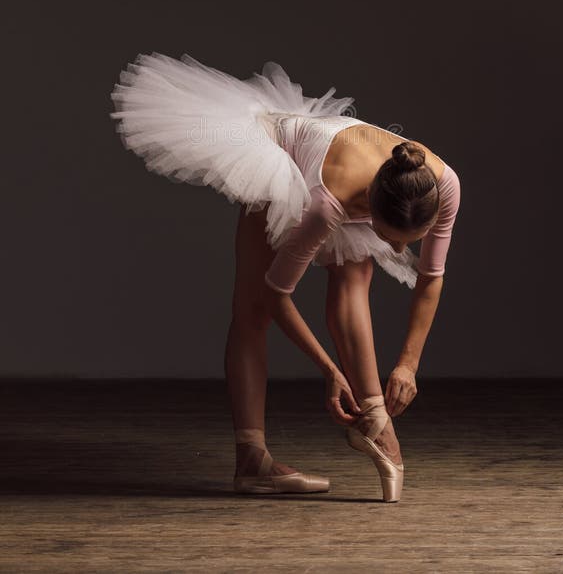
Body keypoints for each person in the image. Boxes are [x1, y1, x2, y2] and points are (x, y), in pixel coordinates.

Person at [109, 53, 461, 502]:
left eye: (407, 241)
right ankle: (252, 460)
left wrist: (408, 364)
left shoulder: (442, 185)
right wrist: (330, 371)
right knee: (252, 309)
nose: (397, 250)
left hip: (344, 164)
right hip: (281, 153)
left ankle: (375, 422)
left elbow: (431, 277)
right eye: (388, 237)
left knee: (356, 280)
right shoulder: (326, 206)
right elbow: (278, 296)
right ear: (369, 207)